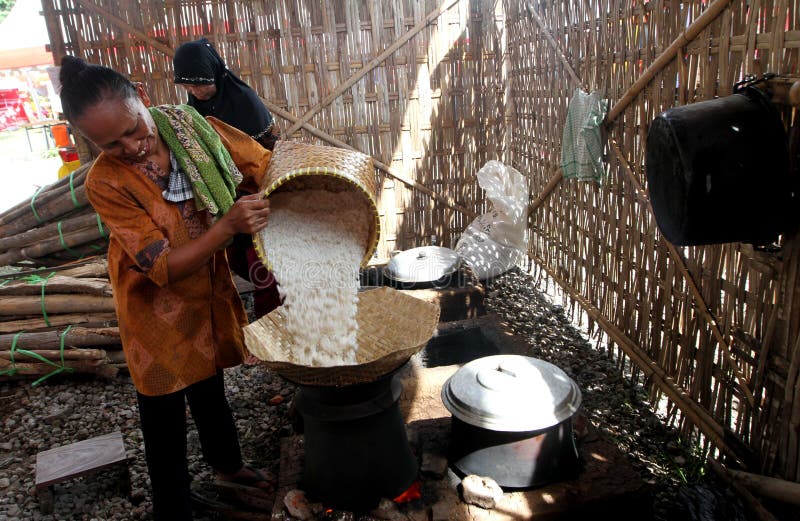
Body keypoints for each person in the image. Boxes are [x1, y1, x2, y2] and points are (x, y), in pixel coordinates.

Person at [58, 55, 274, 521]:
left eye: (134, 130)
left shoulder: (187, 125)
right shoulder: (107, 182)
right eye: (111, 144)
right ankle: (172, 508)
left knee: (209, 379)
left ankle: (228, 468)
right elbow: (161, 268)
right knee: (163, 408)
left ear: (144, 99)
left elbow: (262, 164)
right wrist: (227, 227)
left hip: (205, 288)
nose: (132, 147)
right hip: (152, 305)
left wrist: (287, 191)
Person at [173, 38, 281, 320]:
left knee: (263, 264)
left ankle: (272, 324)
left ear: (215, 74)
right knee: (238, 261)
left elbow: (267, 156)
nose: (194, 90)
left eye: (199, 83)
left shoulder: (243, 102)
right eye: (188, 86)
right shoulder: (194, 109)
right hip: (224, 199)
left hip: (258, 194)